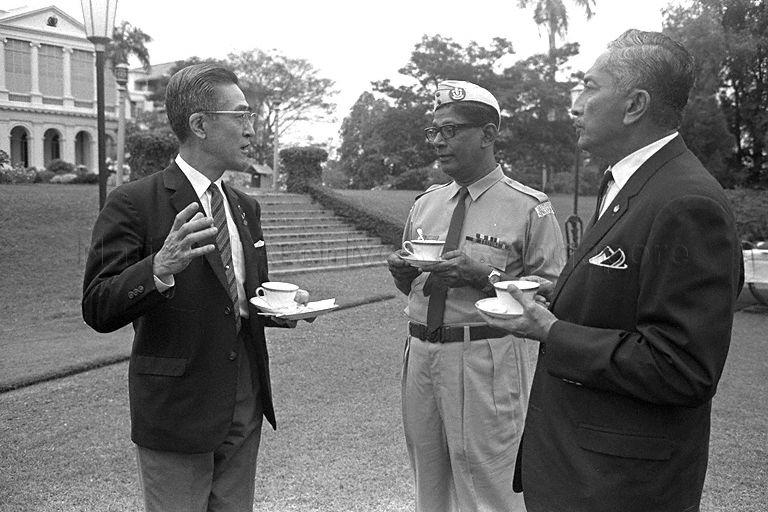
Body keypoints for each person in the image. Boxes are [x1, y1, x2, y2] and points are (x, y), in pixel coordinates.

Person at [479, 30, 744, 512]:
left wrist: (551, 330)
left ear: (634, 104)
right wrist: (563, 291)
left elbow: (682, 368)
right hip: (584, 474)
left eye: (588, 86)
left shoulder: (685, 201)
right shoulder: (632, 183)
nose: (575, 105)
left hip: (620, 487)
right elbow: (635, 297)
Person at [82, 63, 308, 512]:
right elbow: (98, 305)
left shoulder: (244, 206)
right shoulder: (134, 202)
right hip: (177, 406)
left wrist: (281, 305)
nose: (251, 128)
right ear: (201, 124)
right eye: (241, 115)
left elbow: (239, 299)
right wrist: (159, 267)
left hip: (244, 396)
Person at [387, 80, 566, 512]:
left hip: (486, 354)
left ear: (488, 134)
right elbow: (417, 285)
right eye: (434, 132)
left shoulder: (529, 207)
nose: (438, 143)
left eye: (450, 131)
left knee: (491, 485)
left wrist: (484, 276)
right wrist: (402, 273)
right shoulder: (426, 204)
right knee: (429, 485)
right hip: (421, 353)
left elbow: (554, 292)